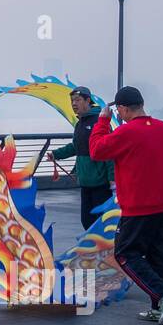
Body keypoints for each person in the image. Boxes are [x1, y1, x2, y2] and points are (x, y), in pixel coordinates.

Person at [88, 86, 163, 325]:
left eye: (118, 110)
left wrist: (102, 121)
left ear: (122, 108)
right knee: (159, 256)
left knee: (125, 254)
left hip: (138, 207)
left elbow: (96, 150)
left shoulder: (126, 132)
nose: (118, 114)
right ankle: (160, 308)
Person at [44, 86, 112, 231]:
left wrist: (113, 180)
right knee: (86, 221)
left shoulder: (100, 122)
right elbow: (76, 146)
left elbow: (109, 151)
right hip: (85, 182)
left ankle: (106, 252)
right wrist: (56, 154)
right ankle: (94, 251)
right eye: (72, 101)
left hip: (101, 184)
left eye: (78, 100)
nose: (74, 104)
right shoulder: (80, 124)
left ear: (88, 101)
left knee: (101, 223)